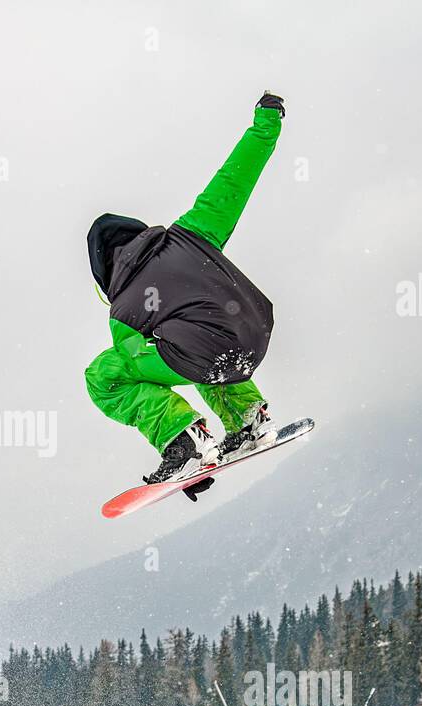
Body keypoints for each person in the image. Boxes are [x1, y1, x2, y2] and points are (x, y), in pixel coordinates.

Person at [85, 92, 285, 496]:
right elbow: (234, 180)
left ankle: (184, 442)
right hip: (254, 338)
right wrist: (268, 123)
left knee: (104, 376)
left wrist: (190, 461)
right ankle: (248, 419)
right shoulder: (191, 233)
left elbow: (141, 370)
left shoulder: (124, 307)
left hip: (203, 351)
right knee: (193, 342)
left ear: (103, 271)